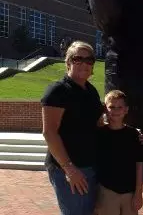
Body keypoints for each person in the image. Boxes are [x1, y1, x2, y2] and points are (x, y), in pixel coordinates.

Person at [41, 41, 104, 215]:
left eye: (89, 60)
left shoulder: (91, 91)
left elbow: (96, 124)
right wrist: (69, 169)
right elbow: (49, 132)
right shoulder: (58, 91)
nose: (84, 63)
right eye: (78, 59)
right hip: (70, 168)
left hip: (91, 165)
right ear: (68, 62)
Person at [95, 90, 143, 215]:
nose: (116, 110)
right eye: (111, 107)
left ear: (126, 110)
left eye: (119, 107)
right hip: (107, 190)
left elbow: (139, 165)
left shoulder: (134, 135)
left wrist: (139, 192)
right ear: (105, 109)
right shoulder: (99, 134)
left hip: (130, 192)